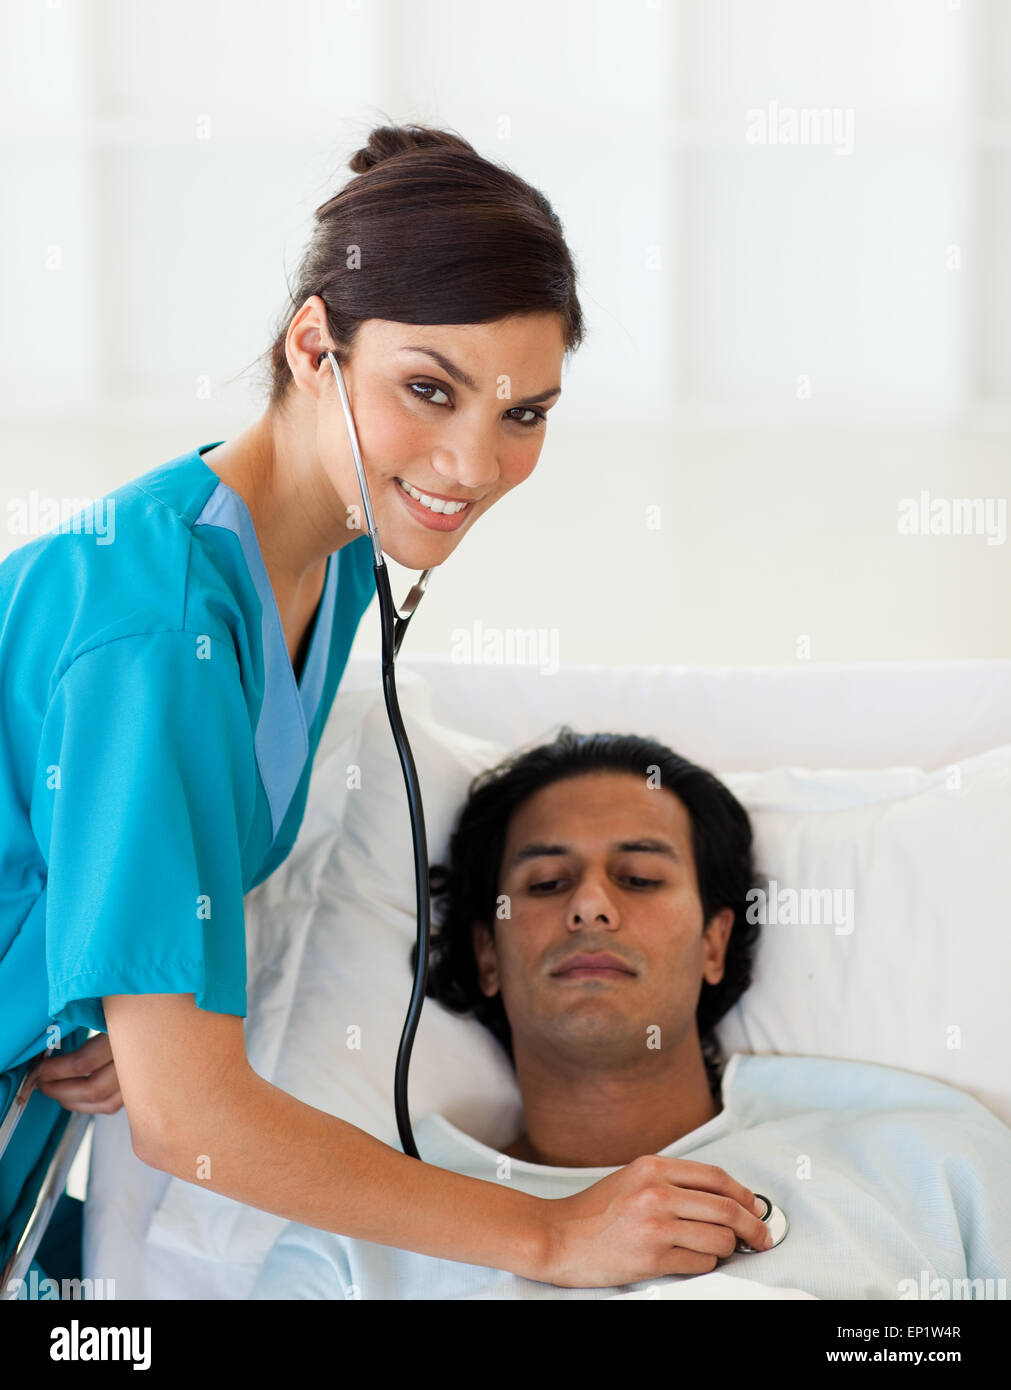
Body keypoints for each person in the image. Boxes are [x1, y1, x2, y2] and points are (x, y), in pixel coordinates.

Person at [0, 123, 772, 1298]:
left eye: (524, 413)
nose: (472, 465)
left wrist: (101, 993)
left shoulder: (335, 564)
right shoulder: (157, 623)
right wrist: (553, 1235)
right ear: (314, 346)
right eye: (428, 390)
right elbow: (189, 1120)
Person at [251, 731, 1011, 1300]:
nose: (590, 905)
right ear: (485, 952)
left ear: (715, 942)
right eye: (546, 883)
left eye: (639, 877)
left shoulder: (927, 1163)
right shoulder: (355, 1238)